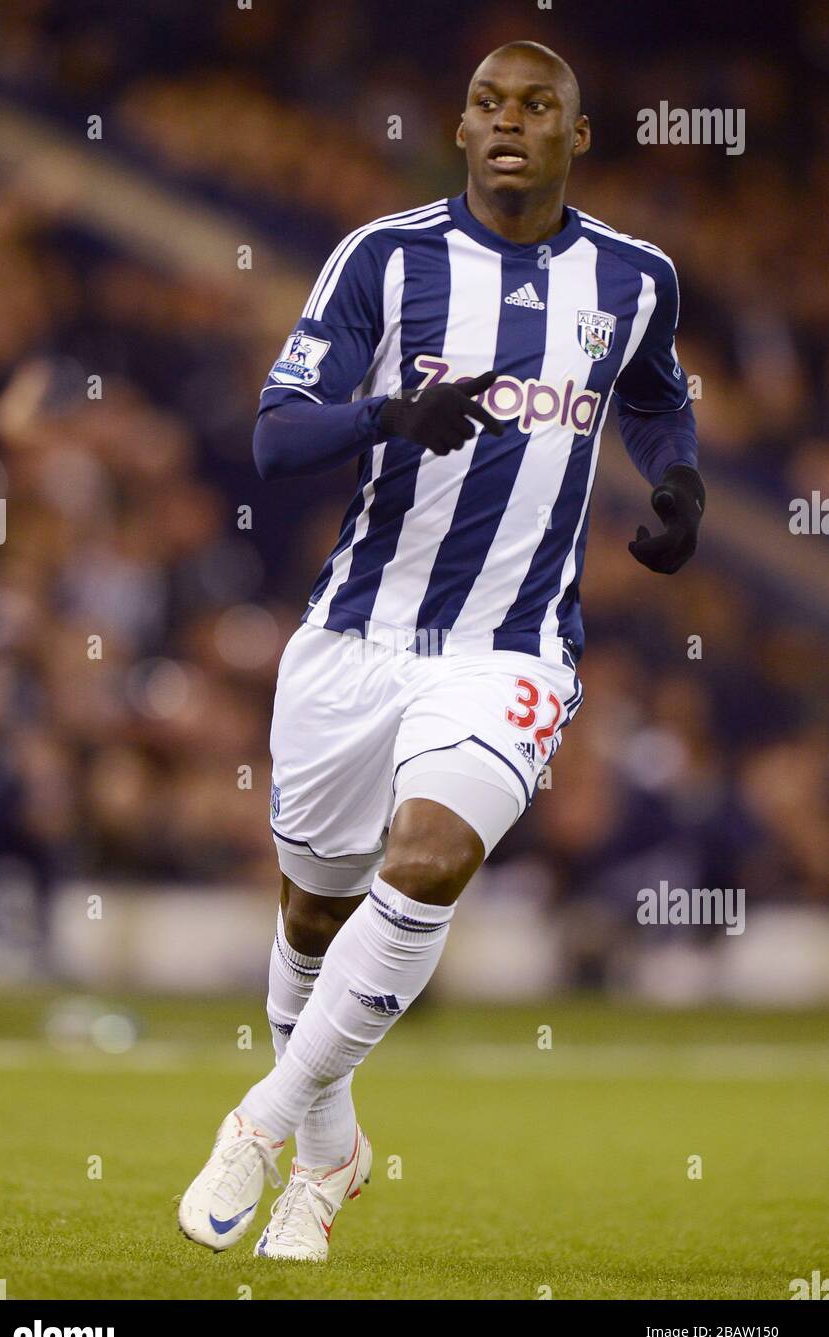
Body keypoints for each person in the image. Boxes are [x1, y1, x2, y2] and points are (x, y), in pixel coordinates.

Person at [178, 40, 704, 1262]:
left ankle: (260, 1125)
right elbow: (273, 441)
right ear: (459, 132)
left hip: (510, 646)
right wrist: (389, 414)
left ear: (578, 136)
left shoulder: (634, 278)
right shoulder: (383, 258)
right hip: (354, 638)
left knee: (426, 860)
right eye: (485, 105)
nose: (507, 122)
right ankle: (328, 1159)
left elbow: (653, 391)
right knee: (313, 913)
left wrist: (676, 483)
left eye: (536, 107)